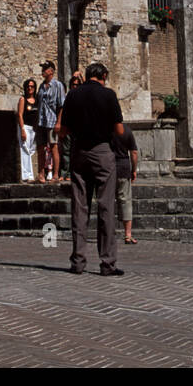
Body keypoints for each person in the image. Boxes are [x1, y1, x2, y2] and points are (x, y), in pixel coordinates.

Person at [58, 62, 124, 276]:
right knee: (106, 208)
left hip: (79, 152)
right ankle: (107, 263)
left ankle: (78, 261)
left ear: (86, 76)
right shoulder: (109, 95)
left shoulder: (73, 95)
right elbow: (120, 130)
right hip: (102, 152)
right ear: (104, 75)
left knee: (79, 208)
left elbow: (63, 130)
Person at [35, 60, 65, 183]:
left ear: (51, 71)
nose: (43, 71)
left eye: (45, 69)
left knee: (54, 147)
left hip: (52, 121)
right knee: (40, 147)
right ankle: (41, 174)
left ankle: (56, 175)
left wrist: (59, 122)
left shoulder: (58, 85)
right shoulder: (41, 87)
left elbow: (62, 105)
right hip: (41, 121)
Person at [114, 121, 139, 244]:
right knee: (125, 201)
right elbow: (134, 153)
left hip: (107, 169)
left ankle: (106, 232)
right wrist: (134, 170)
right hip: (123, 168)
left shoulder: (105, 130)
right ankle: (128, 234)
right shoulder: (127, 131)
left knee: (106, 201)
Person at [59, 72, 83, 181]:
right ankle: (65, 173)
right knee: (66, 151)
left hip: (79, 128)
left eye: (77, 84)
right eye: (73, 84)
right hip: (69, 127)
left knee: (77, 151)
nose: (75, 86)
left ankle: (74, 173)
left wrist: (81, 77)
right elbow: (64, 111)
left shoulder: (83, 96)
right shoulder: (68, 96)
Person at [16, 78, 39, 182]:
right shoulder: (22, 99)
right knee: (25, 149)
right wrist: (22, 130)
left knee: (32, 149)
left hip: (34, 128)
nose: (30, 88)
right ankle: (27, 176)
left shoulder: (37, 100)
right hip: (25, 126)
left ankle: (31, 173)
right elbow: (20, 115)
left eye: (32, 86)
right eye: (28, 86)